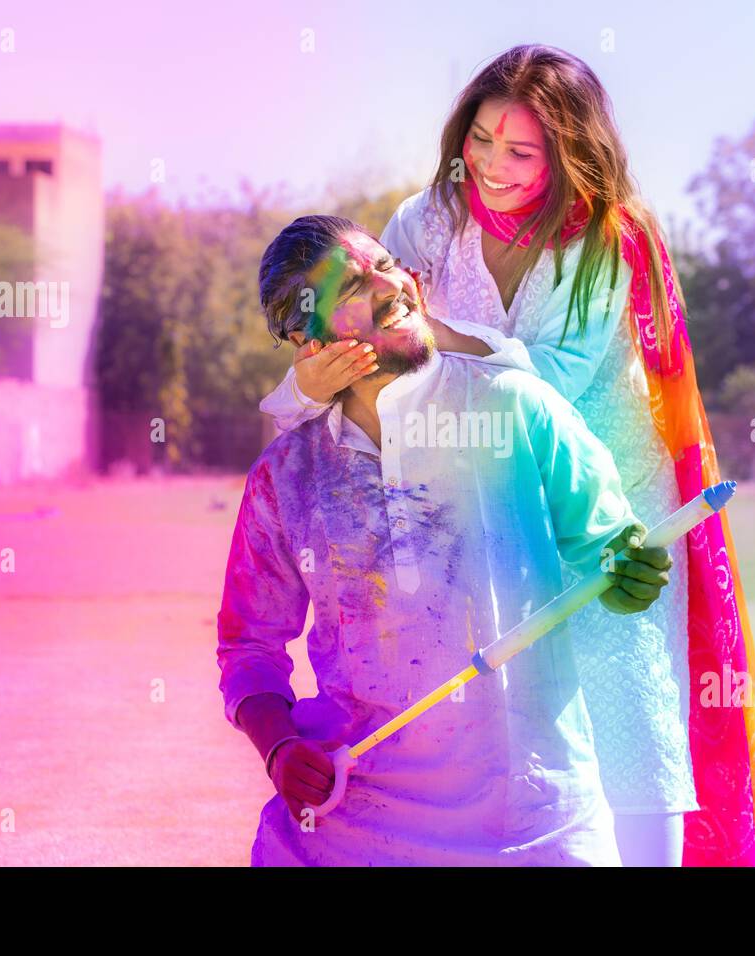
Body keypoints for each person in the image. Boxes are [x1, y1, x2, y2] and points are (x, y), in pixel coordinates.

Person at [260, 45, 755, 868]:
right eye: (481, 138)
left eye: (522, 150)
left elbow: (550, 383)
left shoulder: (610, 240)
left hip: (606, 502)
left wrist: (418, 335)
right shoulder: (425, 220)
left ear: (570, 156)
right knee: (498, 719)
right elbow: (356, 354)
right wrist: (307, 380)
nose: (492, 166)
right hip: (487, 506)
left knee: (625, 715)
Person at [219, 215, 677, 866]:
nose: (390, 282)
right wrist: (279, 748)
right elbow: (248, 647)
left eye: (384, 263)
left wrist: (628, 568)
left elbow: (608, 545)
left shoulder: (518, 406)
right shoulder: (285, 476)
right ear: (305, 336)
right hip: (350, 821)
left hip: (532, 820)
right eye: (353, 282)